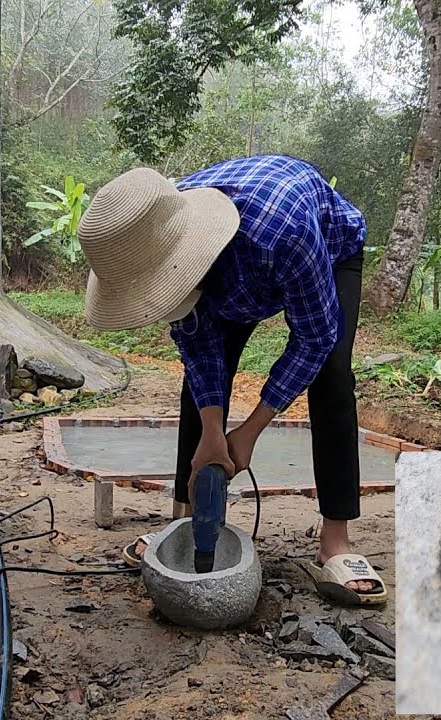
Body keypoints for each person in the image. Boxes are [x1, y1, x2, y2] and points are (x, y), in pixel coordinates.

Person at [76, 154, 386, 605]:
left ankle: (335, 540)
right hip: (232, 264)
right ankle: (186, 522)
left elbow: (315, 339)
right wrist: (212, 433)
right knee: (199, 388)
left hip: (326, 246)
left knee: (333, 375)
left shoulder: (283, 234)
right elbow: (200, 350)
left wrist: (250, 431)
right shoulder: (146, 230)